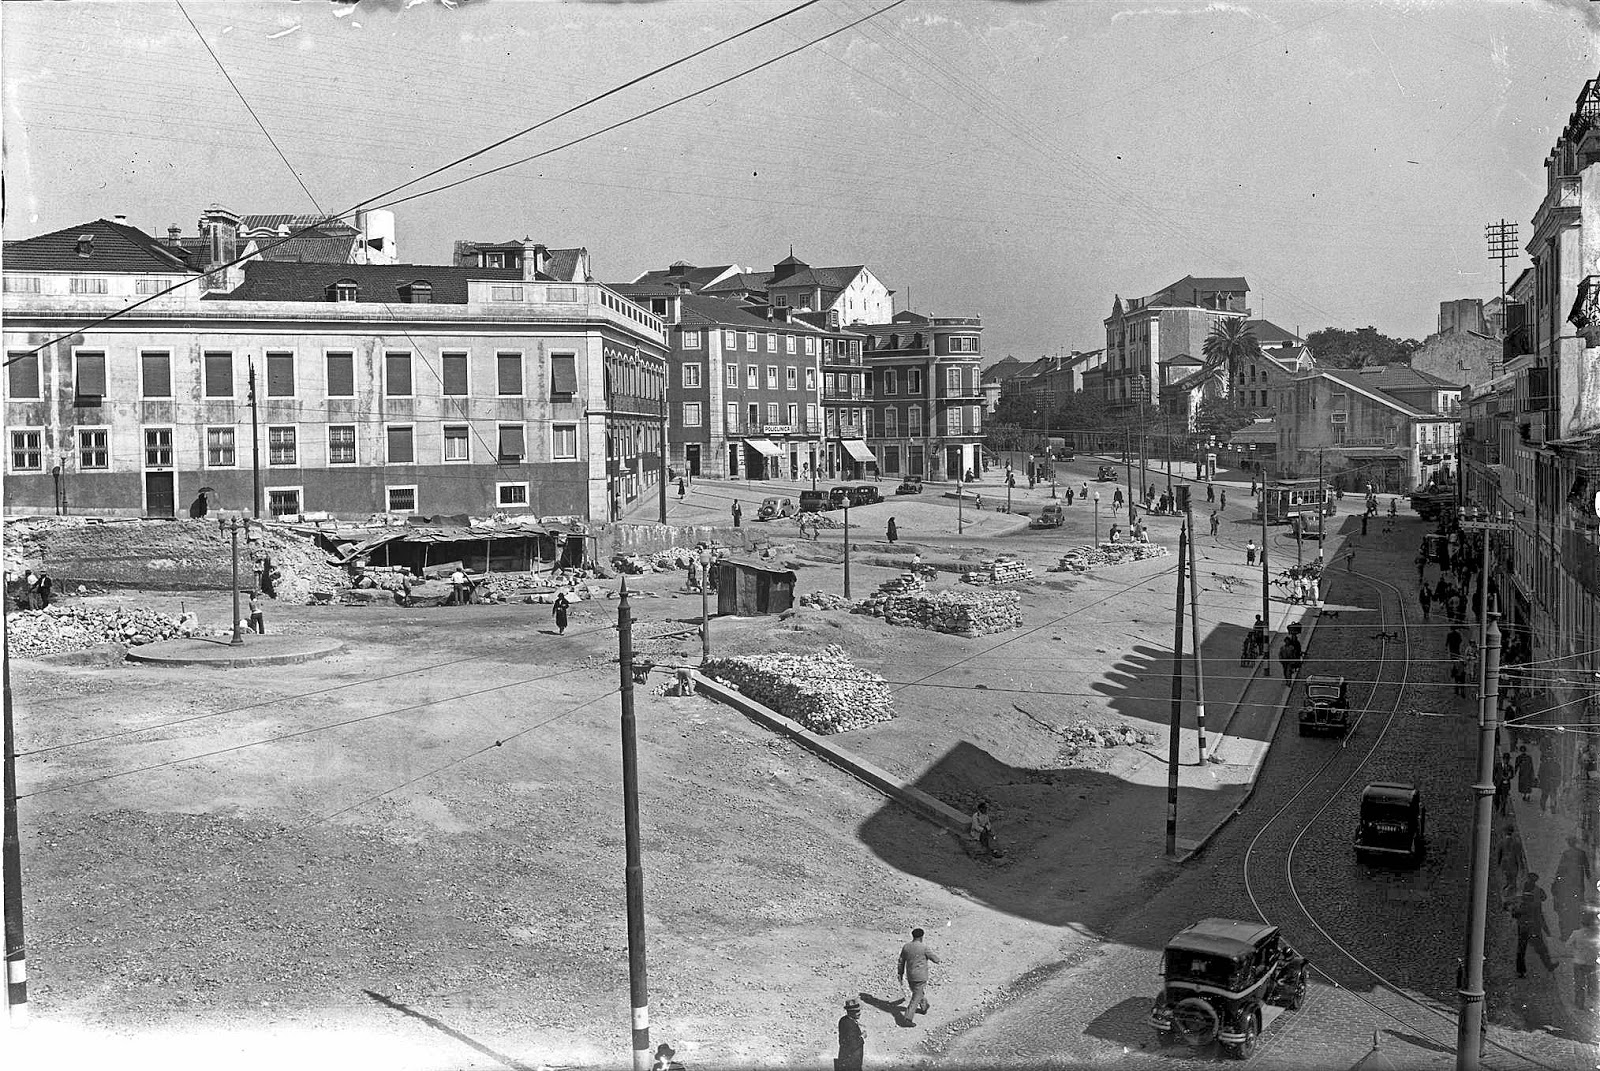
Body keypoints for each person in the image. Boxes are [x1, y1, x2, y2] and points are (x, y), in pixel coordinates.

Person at [1510, 872, 1560, 977]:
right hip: (1533, 926)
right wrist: (1546, 929)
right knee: (1540, 948)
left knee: (1522, 949)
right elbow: (1540, 913)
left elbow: (1515, 913)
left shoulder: (1521, 894)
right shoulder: (1537, 894)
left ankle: (1521, 971)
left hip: (1524, 925)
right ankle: (1549, 965)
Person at [897, 927, 942, 1026]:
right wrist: (938, 960)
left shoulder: (906, 947)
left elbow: (901, 962)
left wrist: (900, 973)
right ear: (922, 937)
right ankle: (907, 1018)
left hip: (910, 976)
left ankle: (924, 1006)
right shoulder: (924, 947)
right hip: (921, 976)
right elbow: (934, 958)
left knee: (917, 992)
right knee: (915, 997)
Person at [1552, 835, 1593, 941]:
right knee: (1579, 903)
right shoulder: (1582, 853)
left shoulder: (1566, 854)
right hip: (1579, 883)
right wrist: (1590, 880)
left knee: (1569, 904)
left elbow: (1561, 868)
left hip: (1569, 884)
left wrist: (1557, 879)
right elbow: (1587, 868)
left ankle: (1570, 930)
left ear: (1569, 843)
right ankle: (1578, 927)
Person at [837, 998, 866, 1071]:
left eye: (859, 1010)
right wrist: (862, 1037)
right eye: (856, 1011)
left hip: (846, 1059)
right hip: (851, 1062)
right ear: (850, 1012)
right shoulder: (849, 1025)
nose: (859, 1013)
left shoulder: (844, 1020)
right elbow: (852, 1044)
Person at [1538, 748, 1561, 813]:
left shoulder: (1543, 764)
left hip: (1547, 783)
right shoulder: (1556, 765)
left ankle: (1544, 808)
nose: (1549, 758)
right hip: (1552, 783)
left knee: (1545, 796)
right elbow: (1559, 774)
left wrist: (1542, 781)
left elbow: (1539, 774)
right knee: (1552, 796)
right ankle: (1552, 808)